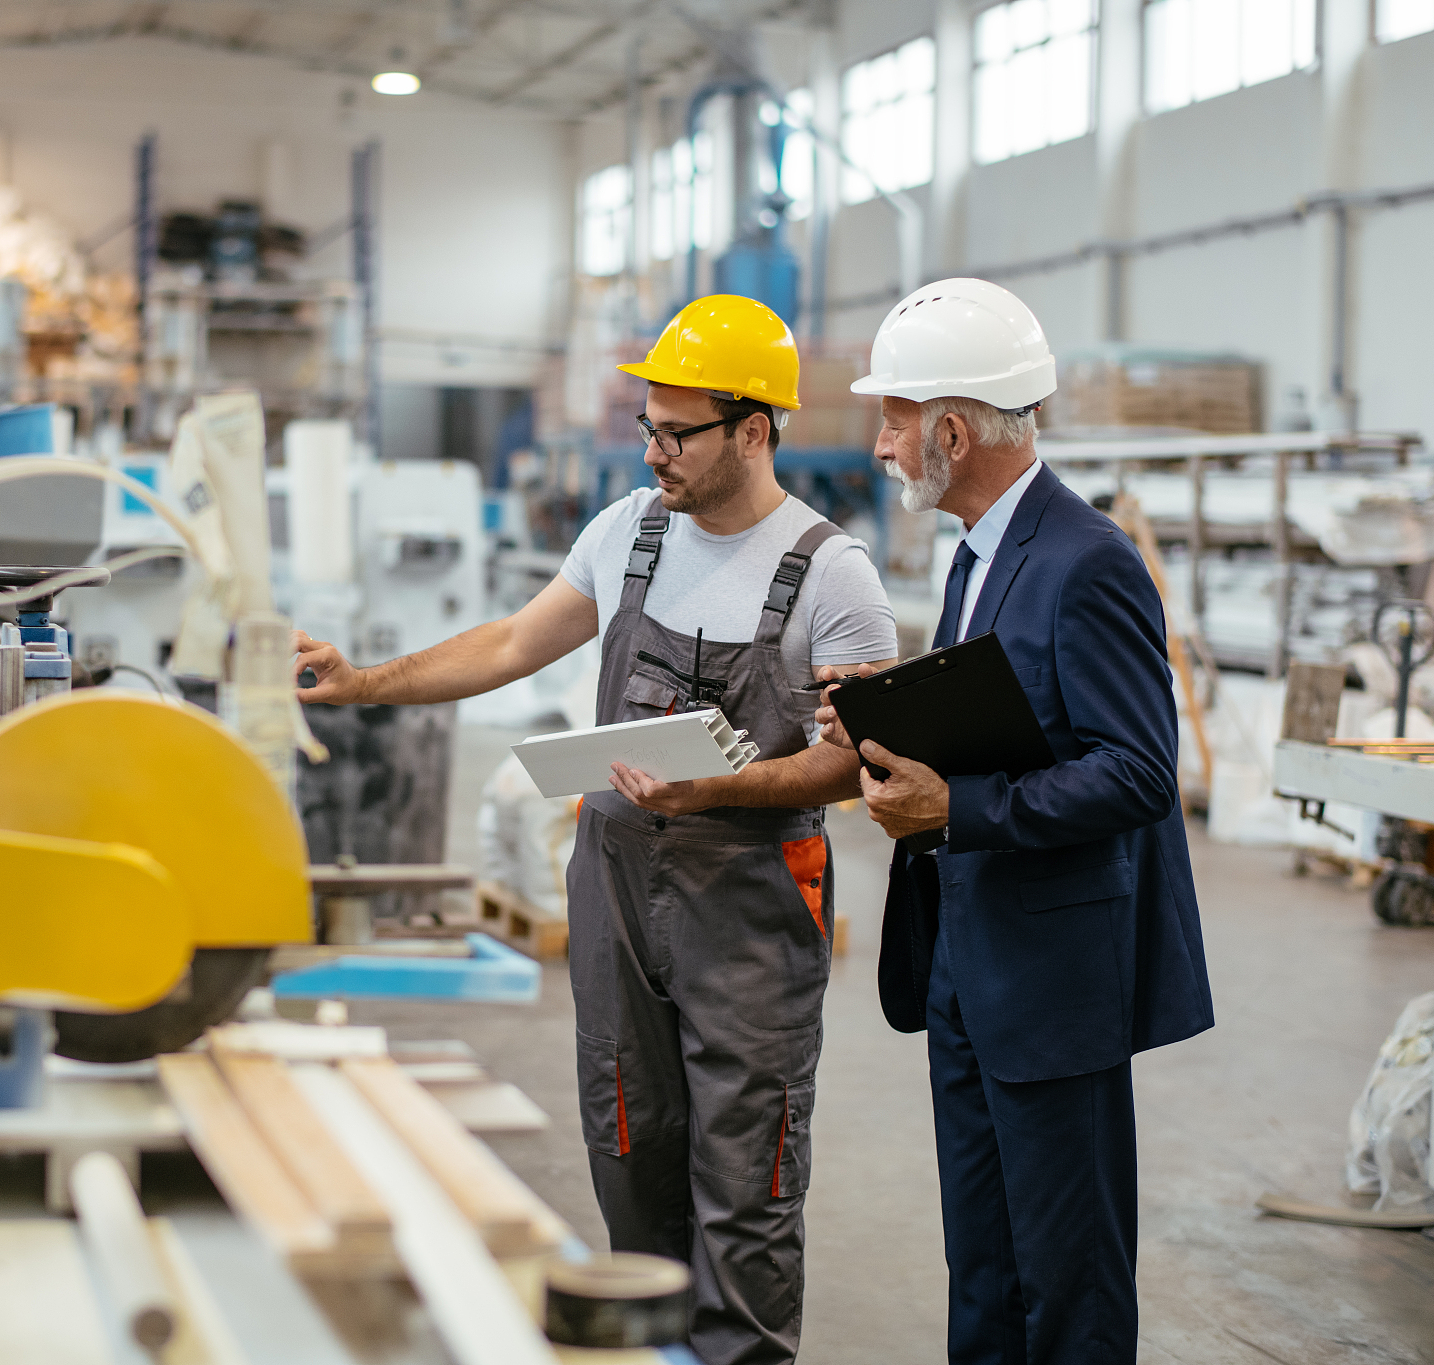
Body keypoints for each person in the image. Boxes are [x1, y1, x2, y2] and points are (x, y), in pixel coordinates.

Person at [294, 295, 898, 1364]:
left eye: (677, 432)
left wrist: (714, 792)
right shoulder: (630, 533)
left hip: (751, 907)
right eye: (647, 427)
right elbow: (512, 643)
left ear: (753, 430)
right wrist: (361, 684)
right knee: (631, 1150)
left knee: (743, 1173)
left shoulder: (830, 572)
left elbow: (854, 759)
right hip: (617, 890)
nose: (653, 451)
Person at [819, 277, 1213, 1364]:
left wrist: (961, 806)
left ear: (950, 428)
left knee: (1065, 1275)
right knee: (983, 1269)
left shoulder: (1086, 560)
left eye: (894, 419)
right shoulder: (979, 552)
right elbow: (1008, 718)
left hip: (1049, 981)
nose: (883, 444)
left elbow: (1135, 772)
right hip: (965, 961)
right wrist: (885, 716)